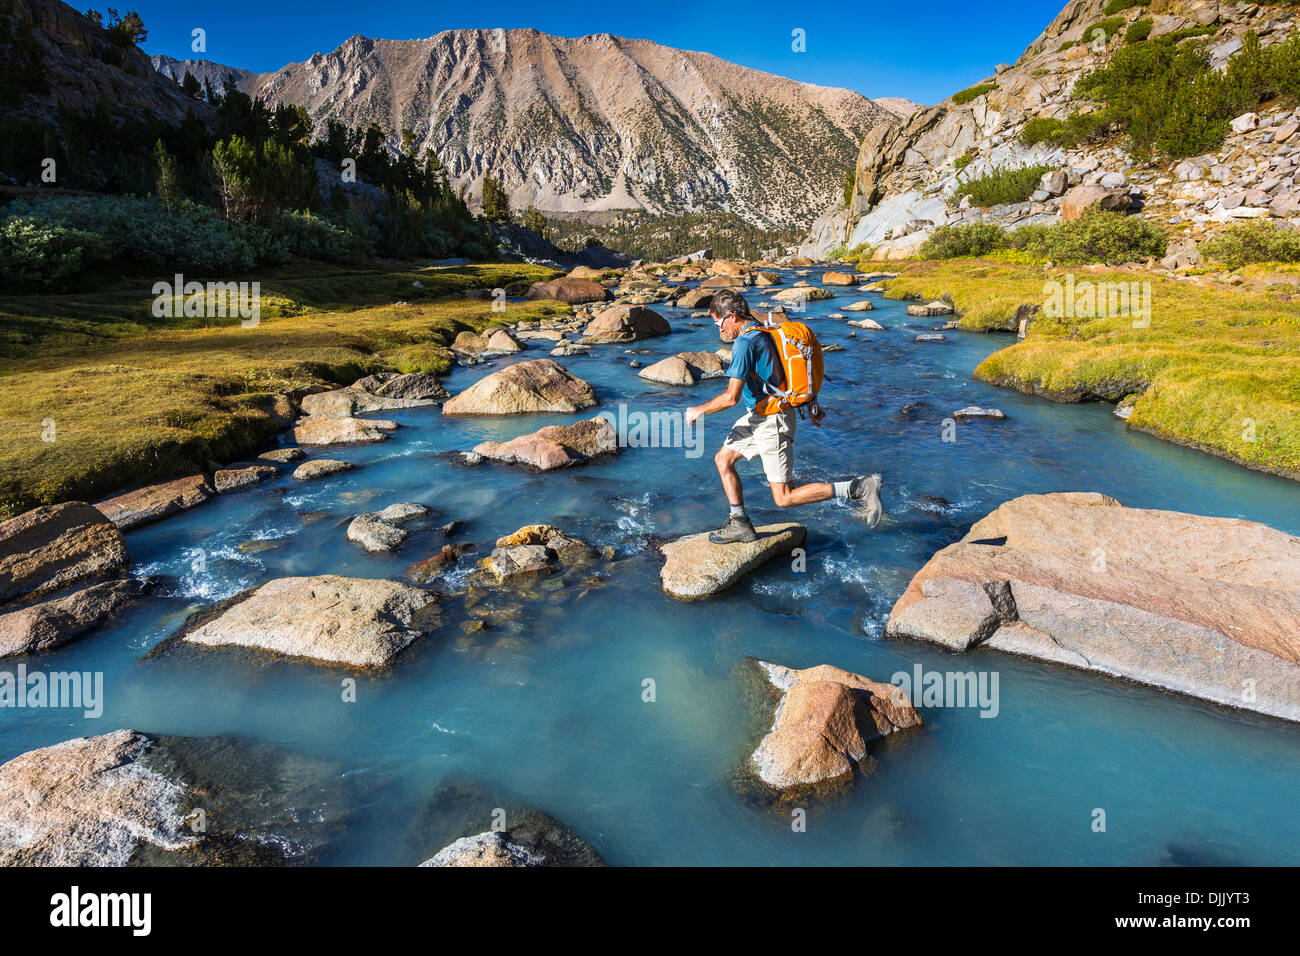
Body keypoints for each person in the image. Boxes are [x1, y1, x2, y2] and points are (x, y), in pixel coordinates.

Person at [685, 288, 883, 544]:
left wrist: (699, 410)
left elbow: (731, 397)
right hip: (758, 415)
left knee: (784, 497)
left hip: (773, 421)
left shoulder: (745, 343)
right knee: (723, 460)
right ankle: (740, 523)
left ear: (732, 316)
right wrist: (811, 402)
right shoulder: (760, 327)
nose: (720, 330)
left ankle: (859, 487)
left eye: (720, 323)